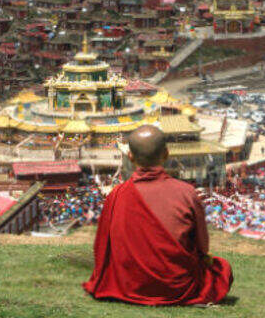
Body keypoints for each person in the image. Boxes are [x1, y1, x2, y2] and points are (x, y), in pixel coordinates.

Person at [83, 125, 233, 306]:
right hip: (177, 287)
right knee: (222, 269)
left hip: (128, 285)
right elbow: (202, 247)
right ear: (166, 154)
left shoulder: (116, 195)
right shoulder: (187, 193)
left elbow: (102, 250)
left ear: (130, 157)